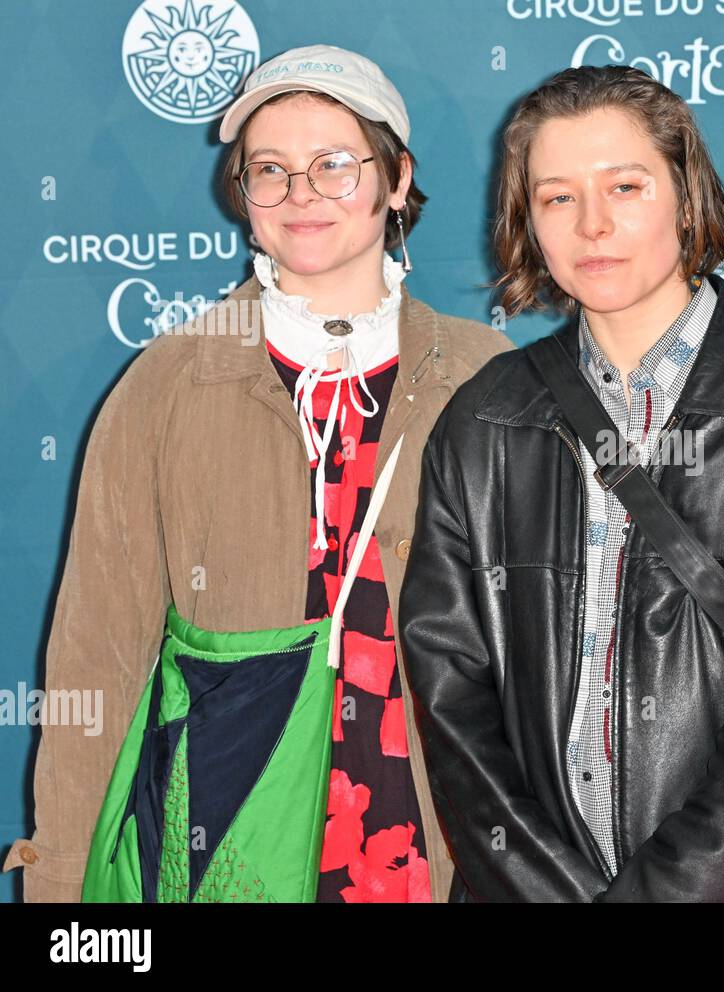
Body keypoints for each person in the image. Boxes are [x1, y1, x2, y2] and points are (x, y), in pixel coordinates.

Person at [4, 45, 512, 902]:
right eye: (269, 170)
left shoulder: (485, 375)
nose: (301, 194)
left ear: (396, 179)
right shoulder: (167, 381)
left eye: (334, 165)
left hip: (439, 834)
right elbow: (98, 654)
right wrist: (61, 893)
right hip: (224, 839)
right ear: (243, 194)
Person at [398, 65, 724, 901]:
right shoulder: (484, 421)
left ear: (687, 196)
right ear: (528, 223)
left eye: (625, 185)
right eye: (557, 197)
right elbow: (451, 703)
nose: (594, 225)